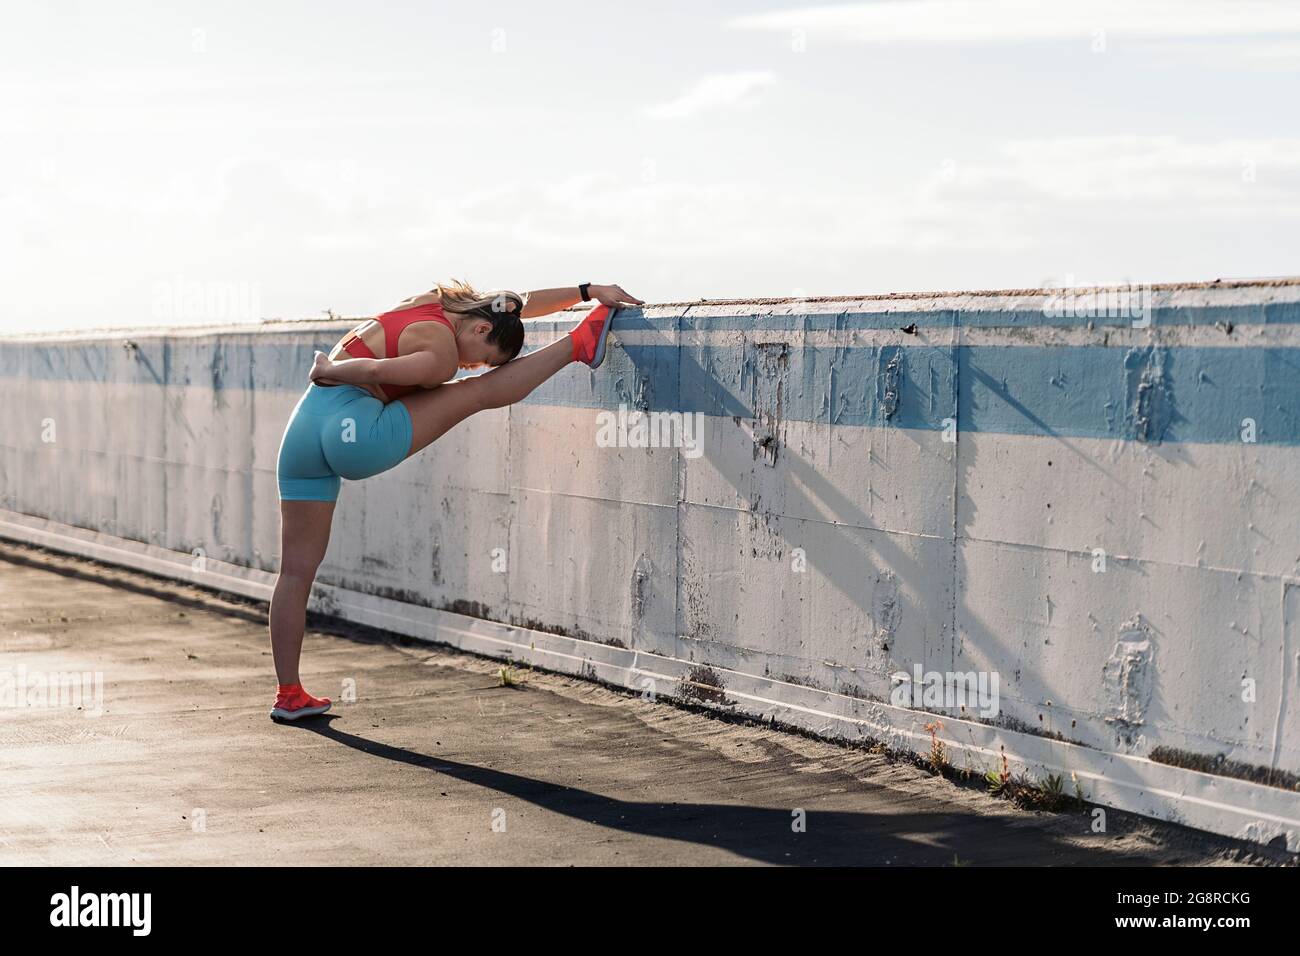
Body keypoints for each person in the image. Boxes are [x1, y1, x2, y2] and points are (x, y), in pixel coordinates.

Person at [270, 280, 643, 720]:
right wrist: (325, 370)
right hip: (355, 436)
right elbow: (373, 374)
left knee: (294, 572)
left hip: (303, 430)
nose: (472, 365)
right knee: (475, 395)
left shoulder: (432, 301)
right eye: (483, 358)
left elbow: (514, 305)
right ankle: (579, 343)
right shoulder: (442, 358)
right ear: (482, 330)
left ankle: (289, 694)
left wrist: (586, 289)